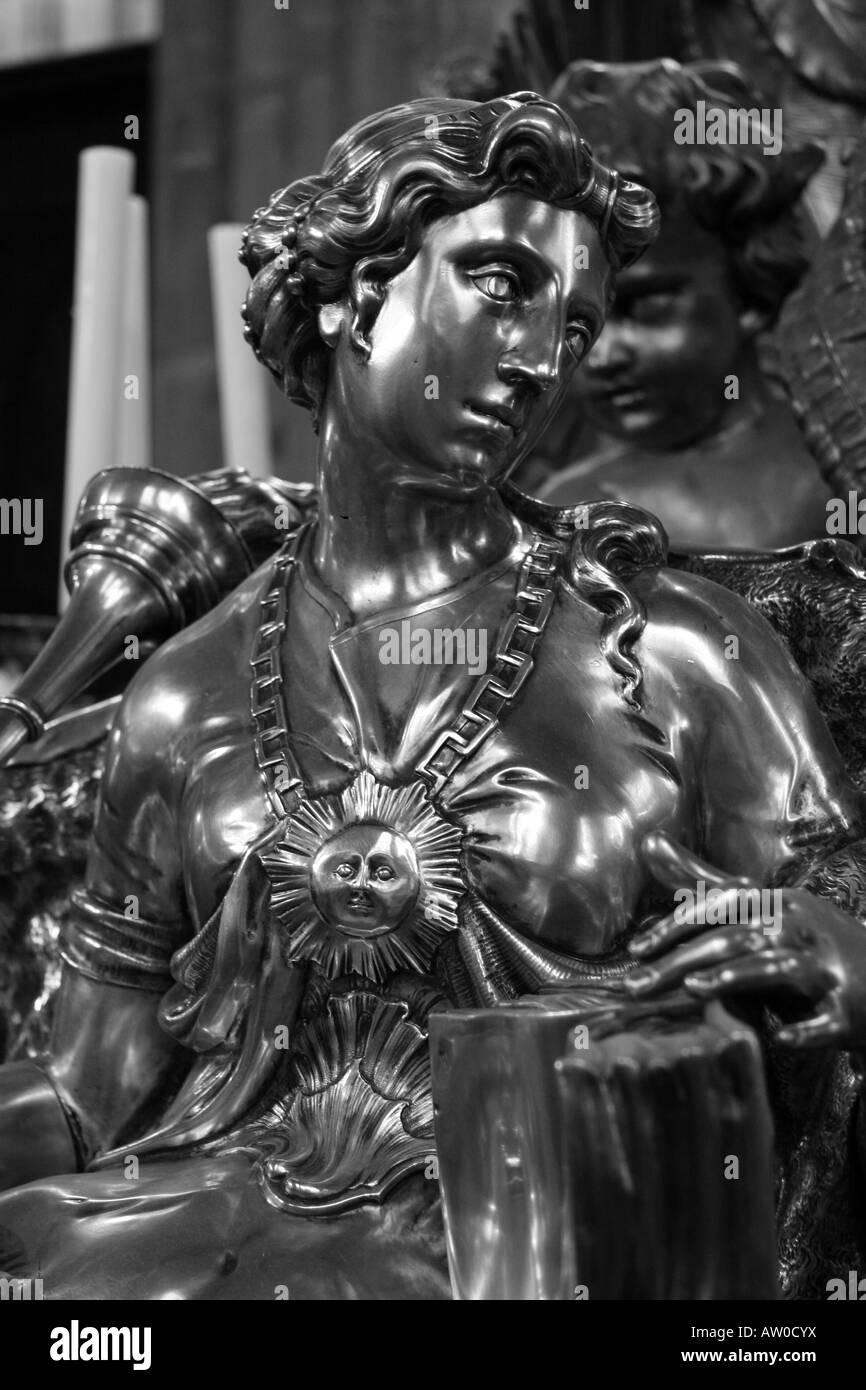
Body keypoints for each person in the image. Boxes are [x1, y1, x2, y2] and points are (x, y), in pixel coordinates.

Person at [0, 91, 864, 1301]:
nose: (543, 358)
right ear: (356, 287)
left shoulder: (670, 646)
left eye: (573, 321)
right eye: (501, 283)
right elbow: (92, 1087)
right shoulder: (180, 692)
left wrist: (832, 944)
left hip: (526, 1237)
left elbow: (837, 919)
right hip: (199, 1213)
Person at [526, 60, 832, 550]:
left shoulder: (839, 472)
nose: (602, 356)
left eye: (643, 308)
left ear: (750, 291)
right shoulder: (575, 510)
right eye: (575, 321)